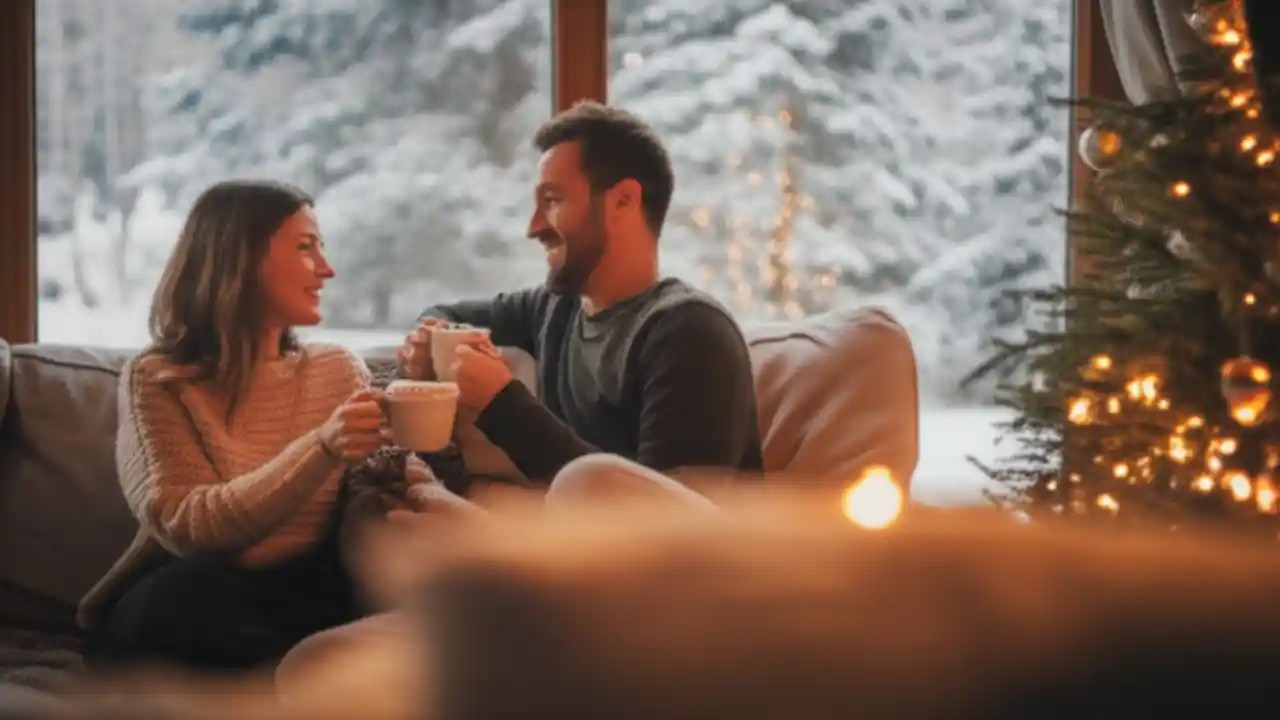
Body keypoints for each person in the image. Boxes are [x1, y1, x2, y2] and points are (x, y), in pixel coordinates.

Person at [79, 180, 402, 671]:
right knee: (180, 602)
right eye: (306, 247)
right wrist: (322, 448)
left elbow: (381, 482)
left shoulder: (337, 368)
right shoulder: (158, 379)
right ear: (240, 260)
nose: (327, 268)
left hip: (309, 590)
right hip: (199, 589)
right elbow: (187, 525)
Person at [399, 100, 763, 499]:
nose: (533, 227)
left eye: (552, 200)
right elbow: (445, 312)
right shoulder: (553, 309)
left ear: (623, 200)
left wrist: (501, 405)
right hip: (566, 535)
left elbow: (664, 520)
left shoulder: (691, 333)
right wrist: (428, 339)